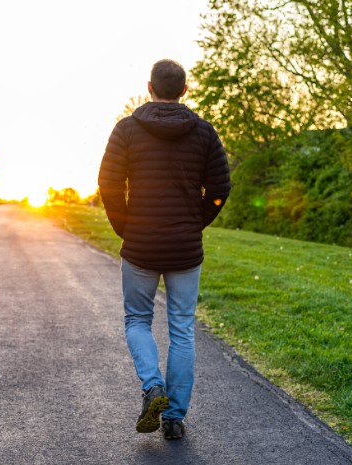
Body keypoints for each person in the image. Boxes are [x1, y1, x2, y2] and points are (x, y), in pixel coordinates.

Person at [98, 59, 231, 440]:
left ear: (149, 88)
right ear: (184, 90)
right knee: (182, 329)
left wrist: (125, 226)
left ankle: (152, 386)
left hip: (140, 244)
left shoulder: (126, 129)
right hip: (185, 249)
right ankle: (173, 417)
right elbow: (220, 190)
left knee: (137, 320)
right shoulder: (204, 132)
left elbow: (108, 184)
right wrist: (195, 222)